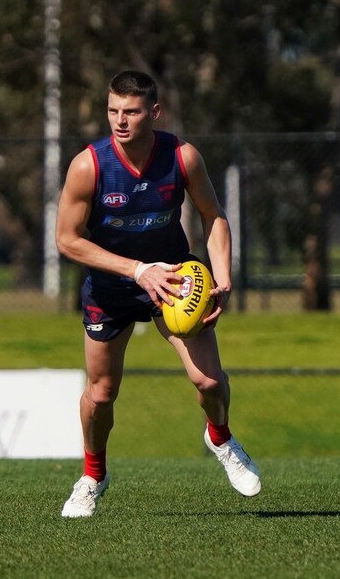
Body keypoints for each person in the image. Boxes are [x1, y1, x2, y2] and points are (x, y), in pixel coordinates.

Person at [55, 70, 261, 519]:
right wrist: (135, 270)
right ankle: (93, 475)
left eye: (130, 112)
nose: (120, 121)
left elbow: (215, 217)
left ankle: (221, 438)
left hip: (173, 280)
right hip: (111, 287)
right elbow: (67, 240)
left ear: (154, 112)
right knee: (101, 393)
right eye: (112, 111)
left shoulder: (182, 157)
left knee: (208, 381)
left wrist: (221, 278)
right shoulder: (88, 165)